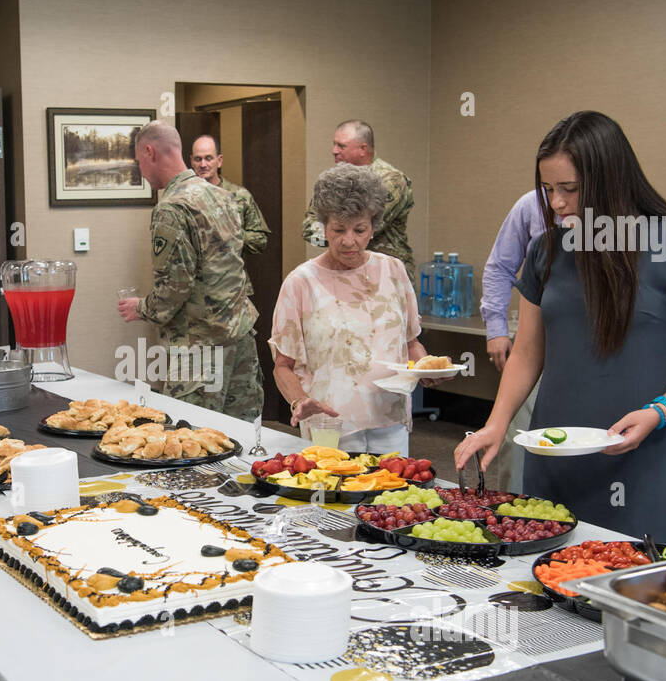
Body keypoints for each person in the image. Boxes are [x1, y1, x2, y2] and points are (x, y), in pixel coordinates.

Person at [455, 111, 666, 542]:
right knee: (549, 571)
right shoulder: (547, 251)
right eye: (548, 190)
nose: (556, 203)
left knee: (630, 581)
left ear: (610, 181)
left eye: (569, 189)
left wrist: (660, 411)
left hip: (643, 449)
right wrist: (497, 423)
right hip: (555, 447)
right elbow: (528, 352)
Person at [271, 165, 432, 453]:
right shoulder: (301, 282)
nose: (349, 240)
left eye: (360, 230)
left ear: (373, 225)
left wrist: (428, 369)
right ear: (324, 227)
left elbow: (411, 344)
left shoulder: (392, 270)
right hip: (328, 422)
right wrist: (298, 401)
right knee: (332, 493)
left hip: (389, 419)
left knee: (390, 495)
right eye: (338, 229)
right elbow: (283, 365)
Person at [116, 120, 262, 420]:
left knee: (193, 441)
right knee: (244, 439)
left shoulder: (172, 208)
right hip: (239, 338)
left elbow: (174, 287)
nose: (141, 171)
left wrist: (141, 308)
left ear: (149, 151)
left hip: (198, 348)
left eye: (139, 161)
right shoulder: (223, 197)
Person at [480, 189, 551, 491]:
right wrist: (496, 327)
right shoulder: (530, 205)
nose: (559, 200)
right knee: (518, 435)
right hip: (535, 337)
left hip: (591, 348)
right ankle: (511, 515)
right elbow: (500, 266)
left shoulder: (623, 213)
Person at [300, 120, 415, 281]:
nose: (334, 151)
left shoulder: (391, 180)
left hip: (384, 275)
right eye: (334, 145)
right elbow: (308, 228)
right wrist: (333, 233)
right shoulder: (334, 181)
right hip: (342, 271)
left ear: (363, 149)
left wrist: (334, 232)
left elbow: (370, 227)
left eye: (341, 146)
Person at [188, 134, 270, 258]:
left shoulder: (240, 196)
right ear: (191, 161)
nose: (203, 164)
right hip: (196, 276)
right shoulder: (184, 198)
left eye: (208, 158)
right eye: (198, 159)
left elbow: (260, 241)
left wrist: (231, 235)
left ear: (219, 161)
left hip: (232, 275)